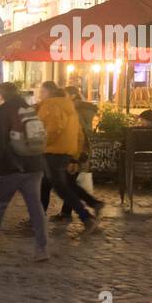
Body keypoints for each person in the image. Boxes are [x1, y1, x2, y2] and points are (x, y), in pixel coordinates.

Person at [0, 82, 48, 262]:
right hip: (34, 165)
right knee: (35, 207)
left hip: (11, 168)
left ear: (0, 95)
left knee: (0, 205)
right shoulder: (29, 108)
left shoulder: (2, 112)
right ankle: (41, 248)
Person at [36, 81, 98, 234]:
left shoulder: (51, 105)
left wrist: (40, 144)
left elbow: (52, 129)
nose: (39, 95)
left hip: (52, 151)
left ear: (48, 92)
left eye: (41, 92)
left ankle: (87, 217)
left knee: (62, 188)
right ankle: (90, 211)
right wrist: (75, 154)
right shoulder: (69, 106)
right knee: (57, 186)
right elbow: (78, 134)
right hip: (65, 151)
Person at [49, 86, 104, 219]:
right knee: (68, 183)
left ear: (72, 96)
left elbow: (77, 135)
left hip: (75, 151)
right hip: (79, 151)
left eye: (65, 96)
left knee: (67, 184)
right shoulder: (83, 110)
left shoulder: (75, 112)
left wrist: (75, 157)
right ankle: (68, 212)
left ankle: (92, 205)